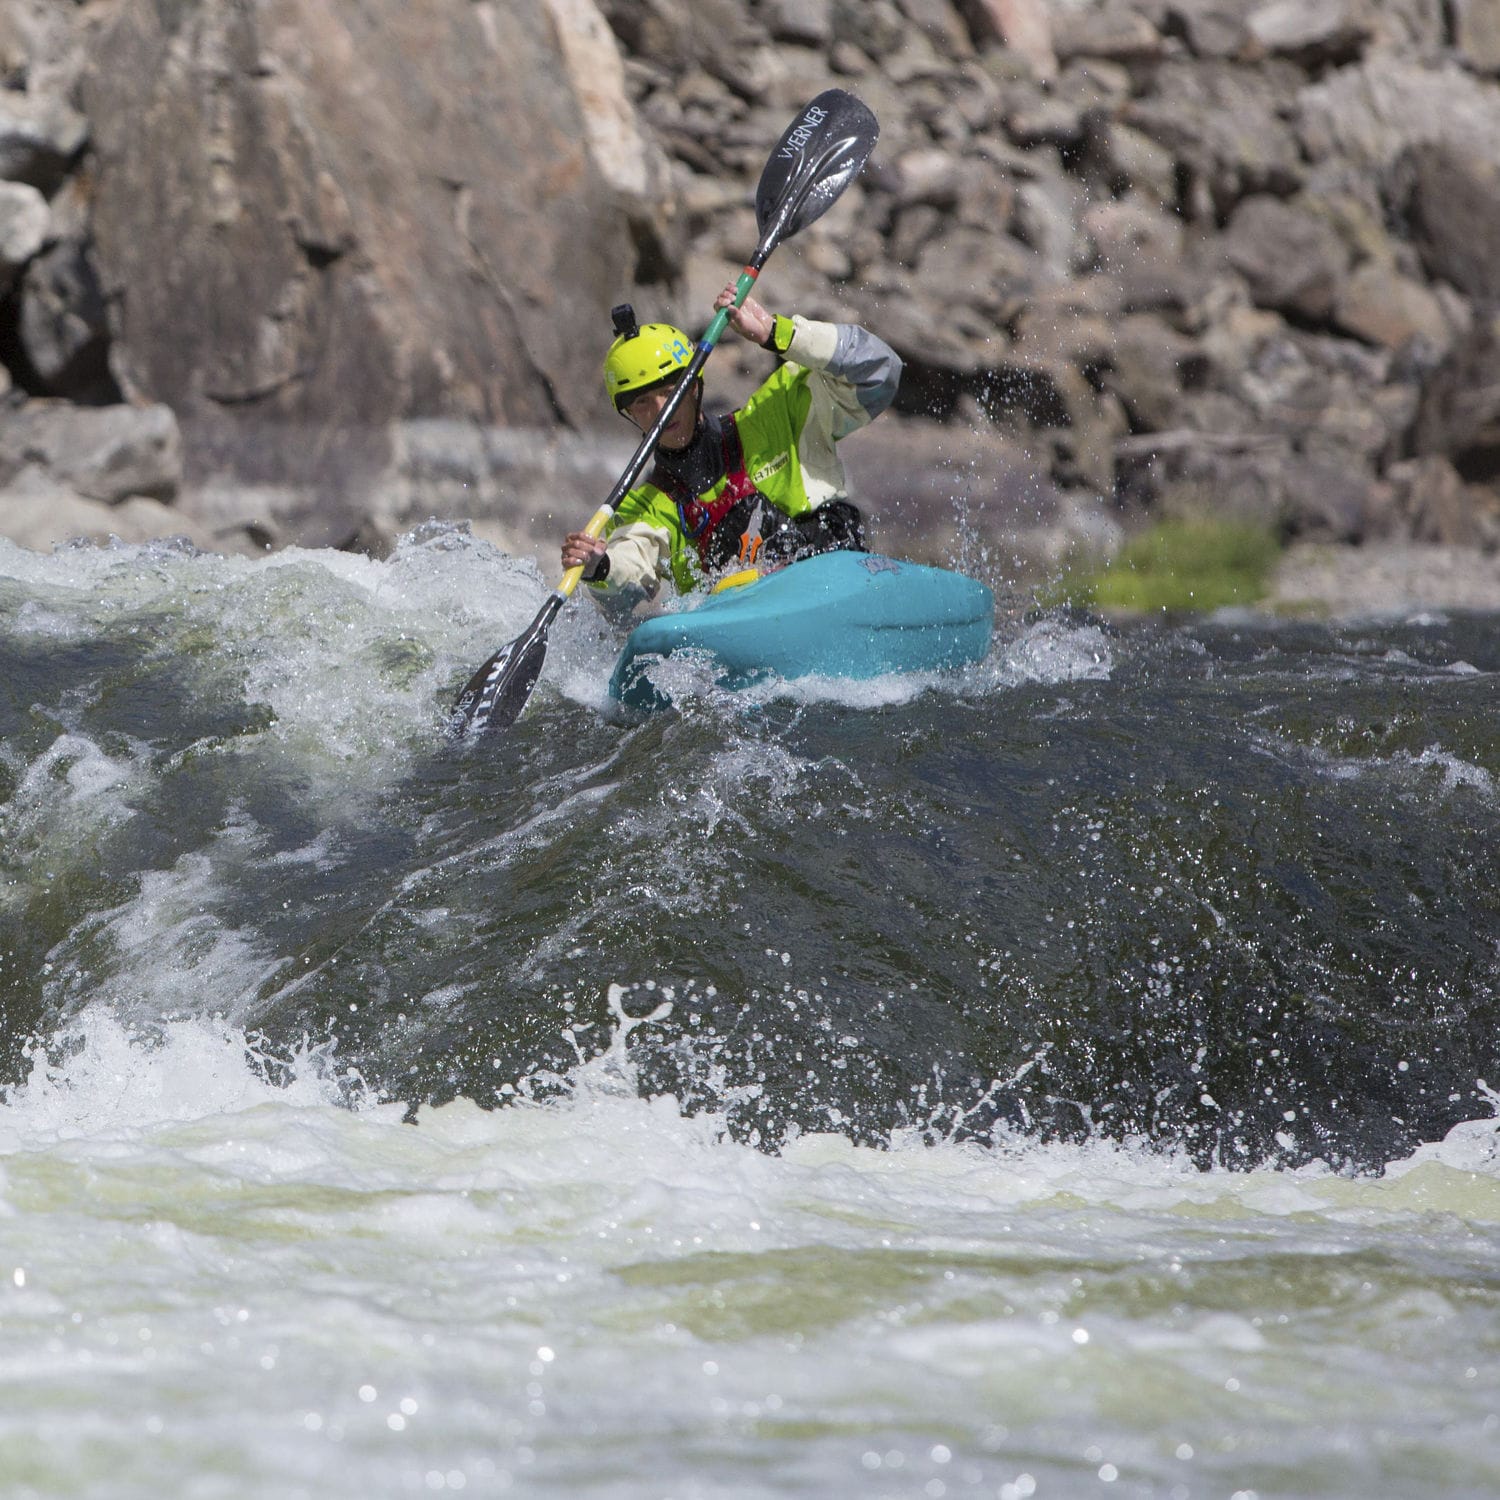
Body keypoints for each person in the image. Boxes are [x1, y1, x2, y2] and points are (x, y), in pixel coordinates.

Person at [560, 284, 902, 605]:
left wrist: (778, 334)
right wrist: (599, 566)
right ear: (629, 414)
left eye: (670, 390)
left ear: (695, 386)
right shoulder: (645, 507)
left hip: (833, 584)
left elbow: (880, 372)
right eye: (642, 402)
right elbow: (629, 576)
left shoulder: (778, 411)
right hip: (745, 621)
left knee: (826, 525)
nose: (661, 410)